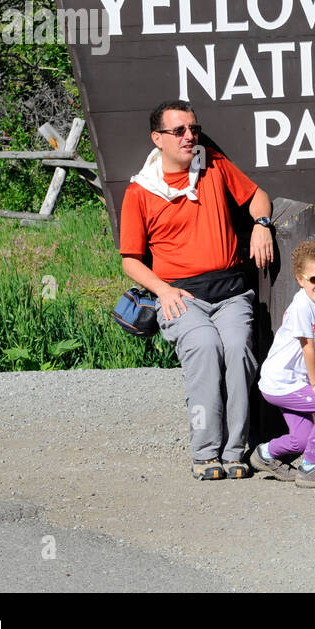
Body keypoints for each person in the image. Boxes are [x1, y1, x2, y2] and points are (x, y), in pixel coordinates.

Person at [119, 100, 275, 481]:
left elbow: (257, 197)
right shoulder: (140, 191)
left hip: (231, 291)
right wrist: (162, 291)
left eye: (193, 129)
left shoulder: (213, 166)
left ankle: (236, 450)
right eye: (179, 131)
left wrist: (262, 223)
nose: (190, 137)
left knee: (238, 352)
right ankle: (206, 453)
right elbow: (130, 259)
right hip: (180, 295)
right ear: (158, 139)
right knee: (205, 348)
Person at [251, 239, 315, 487]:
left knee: (303, 438)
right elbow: (308, 348)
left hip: (296, 381)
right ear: (300, 278)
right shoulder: (301, 307)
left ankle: (265, 454)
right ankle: (311, 467)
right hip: (281, 381)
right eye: (314, 279)